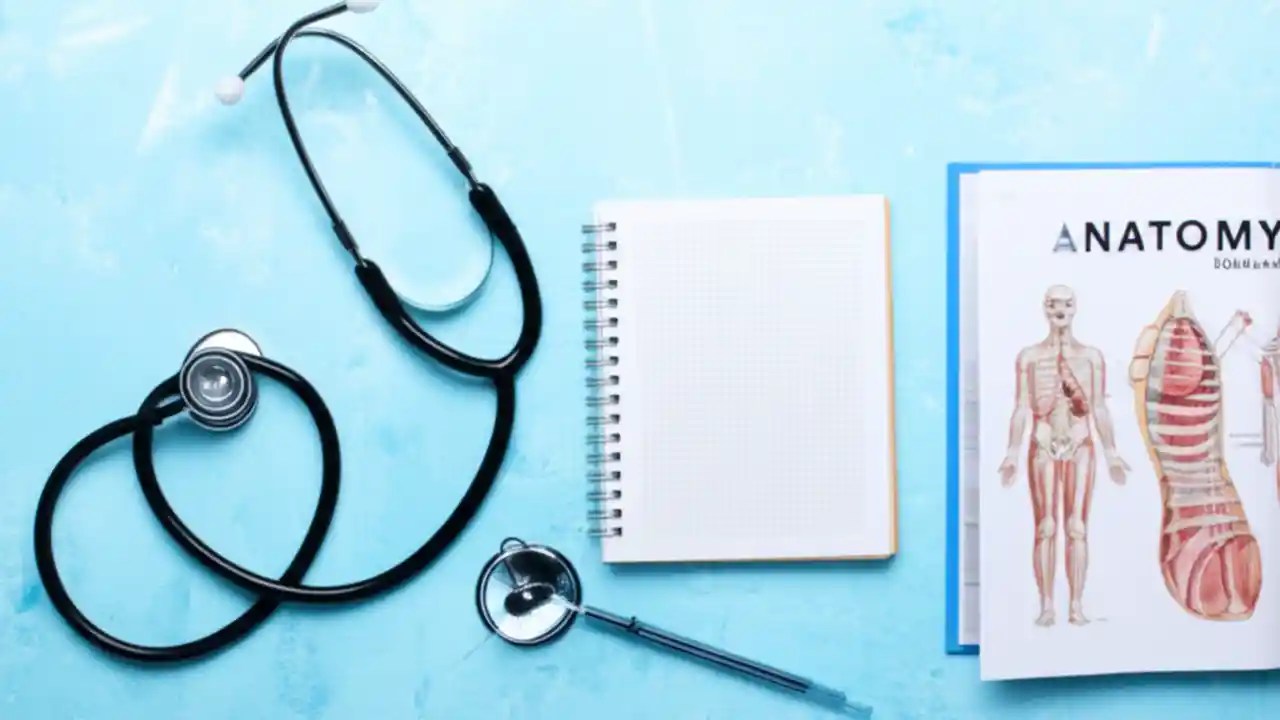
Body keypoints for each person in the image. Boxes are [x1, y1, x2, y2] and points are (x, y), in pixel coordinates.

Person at [998, 284, 1128, 626]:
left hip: (1080, 441)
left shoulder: (1091, 357)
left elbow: (1098, 406)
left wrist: (1112, 451)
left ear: (1075, 308)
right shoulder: (1029, 357)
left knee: (1077, 527)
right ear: (1045, 308)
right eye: (1054, 304)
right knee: (1045, 526)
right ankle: (1045, 605)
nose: (1060, 310)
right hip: (1042, 441)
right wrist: (1011, 451)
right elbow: (1022, 407)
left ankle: (1075, 605)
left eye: (1067, 304)